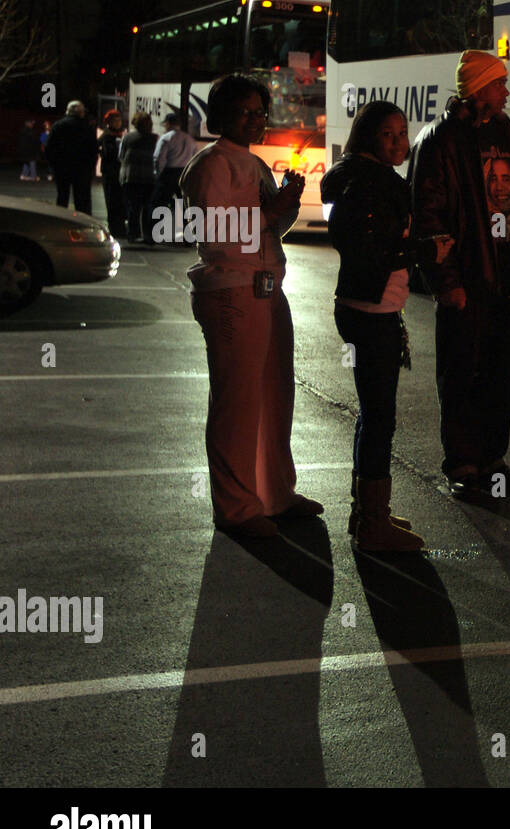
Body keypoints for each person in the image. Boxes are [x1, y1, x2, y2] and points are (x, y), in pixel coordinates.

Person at [181, 73, 318, 539]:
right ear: (221, 115)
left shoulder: (253, 163)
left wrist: (286, 206)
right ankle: (236, 508)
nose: (257, 119)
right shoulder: (211, 164)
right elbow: (217, 232)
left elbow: (265, 231)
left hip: (264, 287)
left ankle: (274, 493)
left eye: (261, 111)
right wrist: (271, 209)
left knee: (274, 394)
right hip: (231, 291)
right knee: (237, 401)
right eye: (246, 111)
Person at [322, 101, 453, 552]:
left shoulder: (362, 178)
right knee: (379, 417)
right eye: (388, 135)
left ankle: (368, 514)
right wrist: (424, 253)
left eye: (403, 133)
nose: (399, 143)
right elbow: (371, 251)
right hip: (370, 312)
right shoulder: (370, 184)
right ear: (368, 139)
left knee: (374, 416)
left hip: (369, 307)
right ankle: (372, 524)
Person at [408, 49, 510, 499]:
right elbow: (429, 215)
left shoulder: (503, 130)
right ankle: (462, 463)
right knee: (462, 373)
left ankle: (492, 460)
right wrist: (447, 281)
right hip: (467, 276)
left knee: (499, 374)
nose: (506, 92)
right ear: (479, 89)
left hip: (503, 275)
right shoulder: (440, 139)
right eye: (499, 84)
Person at [44, 101, 99, 213]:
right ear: (81, 112)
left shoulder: (58, 126)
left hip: (62, 168)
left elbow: (49, 148)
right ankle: (83, 225)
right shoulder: (87, 127)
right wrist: (90, 167)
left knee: (62, 198)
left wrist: (53, 165)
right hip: (82, 169)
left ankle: (60, 223)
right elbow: (93, 149)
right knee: (82, 201)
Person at [153, 112, 199, 232]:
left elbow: (159, 158)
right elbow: (195, 158)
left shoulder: (166, 138)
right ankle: (188, 234)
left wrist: (158, 174)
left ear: (168, 124)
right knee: (184, 205)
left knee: (160, 202)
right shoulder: (190, 139)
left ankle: (157, 232)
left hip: (169, 173)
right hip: (185, 173)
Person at [119, 112, 157, 243]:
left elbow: (121, 156)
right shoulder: (155, 139)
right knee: (147, 207)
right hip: (149, 177)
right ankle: (148, 235)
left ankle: (132, 234)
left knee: (133, 207)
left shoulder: (128, 138)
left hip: (131, 177)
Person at [99, 111, 126, 238]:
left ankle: (119, 226)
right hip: (110, 172)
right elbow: (108, 153)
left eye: (119, 120)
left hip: (118, 172)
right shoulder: (106, 136)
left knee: (119, 201)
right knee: (111, 200)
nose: (118, 123)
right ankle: (114, 227)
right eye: (115, 120)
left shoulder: (121, 135)